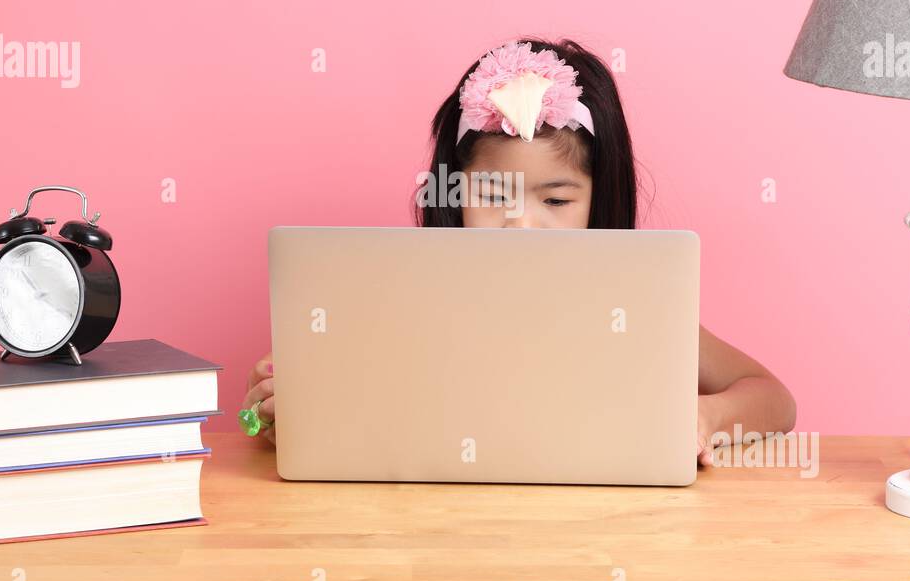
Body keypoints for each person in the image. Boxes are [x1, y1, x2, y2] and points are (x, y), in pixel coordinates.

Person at [244, 37, 795, 465]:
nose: (521, 223)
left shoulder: (632, 309)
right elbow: (328, 409)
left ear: (598, 203)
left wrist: (708, 417)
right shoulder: (404, 304)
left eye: (555, 199)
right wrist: (277, 410)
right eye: (490, 194)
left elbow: (775, 399)